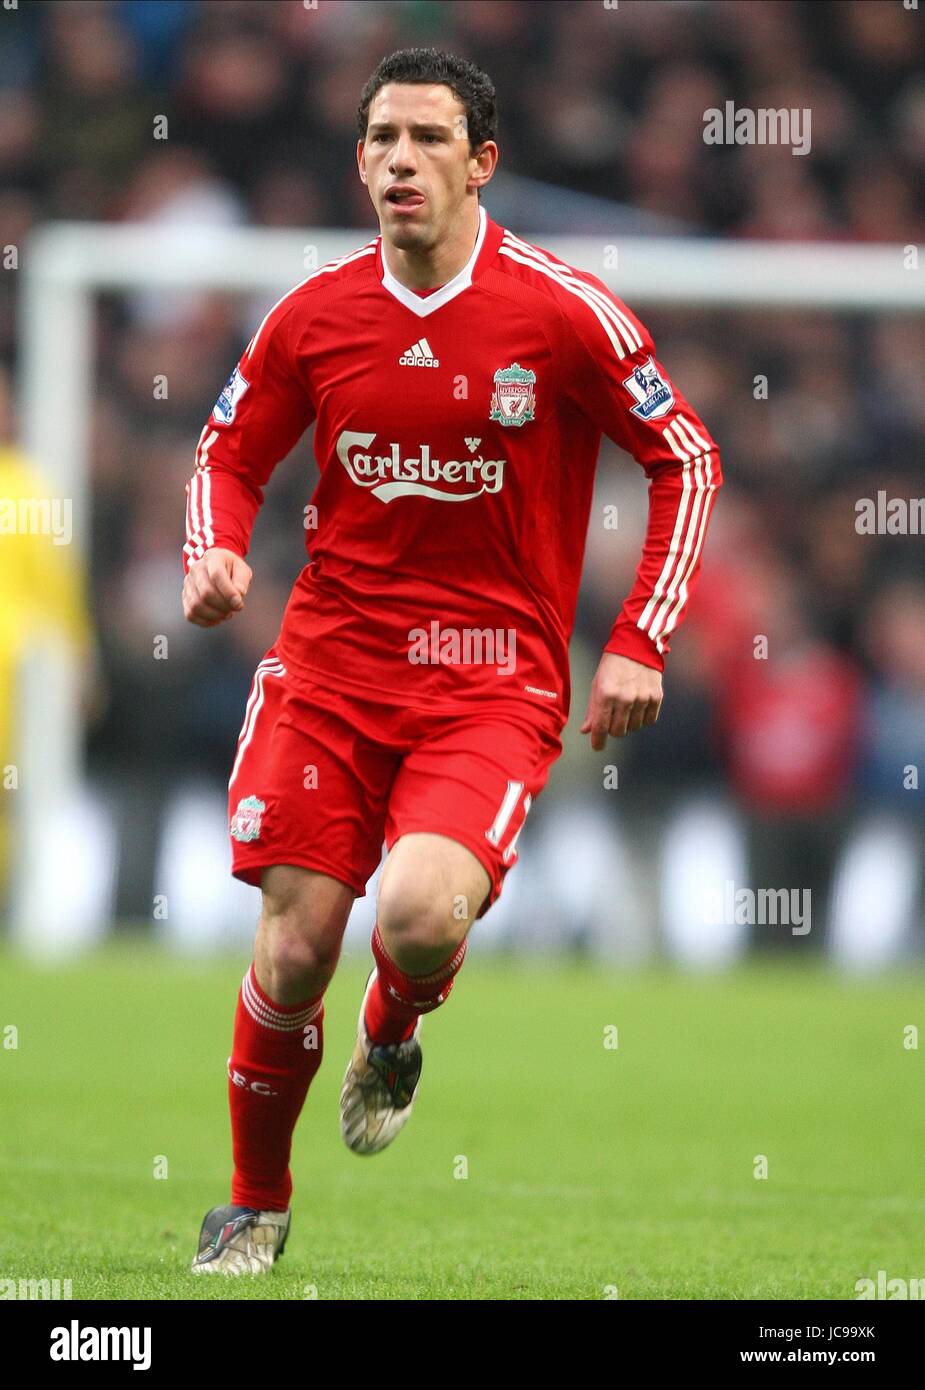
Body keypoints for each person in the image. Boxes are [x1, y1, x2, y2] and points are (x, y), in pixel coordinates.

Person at [182, 48, 722, 1275]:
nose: (398, 161)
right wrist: (214, 553)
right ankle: (254, 1205)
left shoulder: (559, 310)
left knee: (419, 919)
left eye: (427, 139)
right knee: (294, 944)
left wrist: (639, 637)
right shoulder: (312, 314)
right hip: (329, 667)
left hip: (490, 680)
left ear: (482, 162)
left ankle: (396, 1028)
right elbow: (227, 450)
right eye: (380, 139)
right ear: (358, 158)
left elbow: (684, 456)